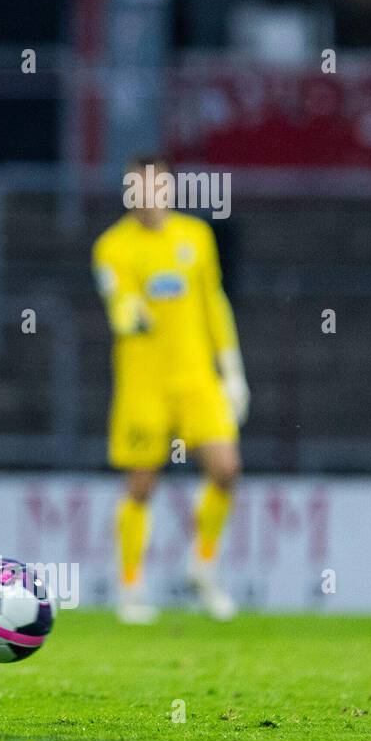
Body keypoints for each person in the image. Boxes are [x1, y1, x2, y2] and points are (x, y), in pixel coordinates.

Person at [93, 155, 249, 624]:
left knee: (226, 469)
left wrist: (232, 367)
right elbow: (117, 300)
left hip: (197, 377)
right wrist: (129, 315)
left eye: (157, 188)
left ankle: (202, 567)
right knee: (142, 484)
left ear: (169, 190)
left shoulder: (196, 237)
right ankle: (131, 587)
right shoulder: (113, 247)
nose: (149, 197)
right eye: (138, 189)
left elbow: (213, 302)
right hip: (144, 382)